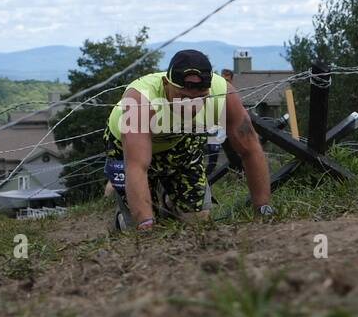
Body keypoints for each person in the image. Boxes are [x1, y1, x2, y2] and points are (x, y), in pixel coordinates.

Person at [104, 50, 273, 231]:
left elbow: (250, 148)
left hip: (180, 142)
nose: (192, 105)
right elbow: (137, 167)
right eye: (183, 97)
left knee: (198, 221)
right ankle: (123, 218)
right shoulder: (141, 99)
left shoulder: (222, 95)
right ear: (166, 84)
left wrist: (262, 208)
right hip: (128, 147)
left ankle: (172, 203)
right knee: (137, 226)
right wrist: (145, 226)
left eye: (200, 98)